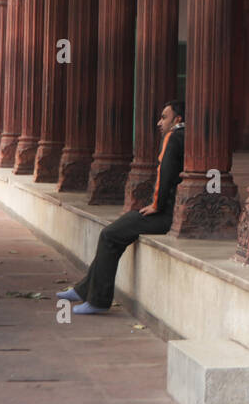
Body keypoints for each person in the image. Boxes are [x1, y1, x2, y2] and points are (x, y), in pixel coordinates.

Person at [58, 100, 185, 314]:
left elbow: (166, 174)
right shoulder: (187, 136)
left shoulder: (173, 137)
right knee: (113, 233)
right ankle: (83, 290)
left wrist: (155, 204)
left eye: (164, 117)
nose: (159, 122)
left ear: (177, 120)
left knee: (109, 235)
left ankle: (98, 301)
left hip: (166, 214)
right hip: (174, 211)